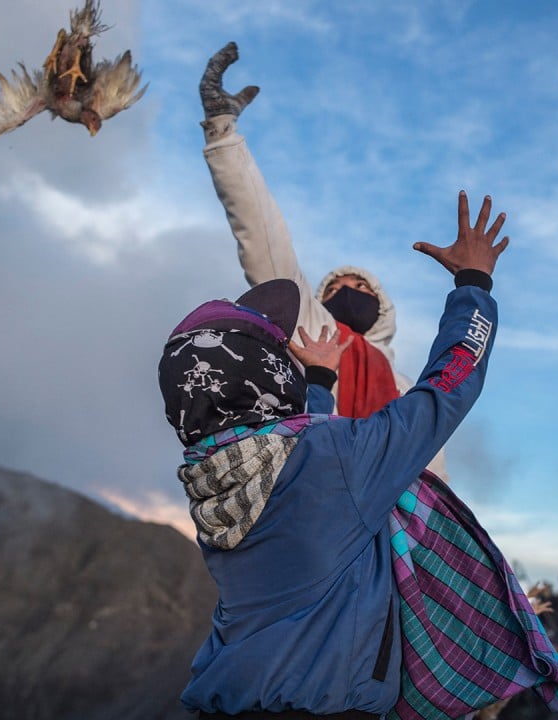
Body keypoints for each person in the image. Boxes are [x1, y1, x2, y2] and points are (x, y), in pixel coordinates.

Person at [159, 192, 506, 716]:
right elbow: (449, 385)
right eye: (273, 345)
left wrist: (320, 378)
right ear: (266, 375)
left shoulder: (210, 475)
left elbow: (302, 442)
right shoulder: (338, 459)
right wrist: (474, 287)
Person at [197, 42, 448, 478]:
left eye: (361, 288)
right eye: (332, 289)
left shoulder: (408, 390)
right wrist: (224, 133)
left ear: (383, 307)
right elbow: (262, 236)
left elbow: (435, 486)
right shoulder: (315, 336)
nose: (347, 292)